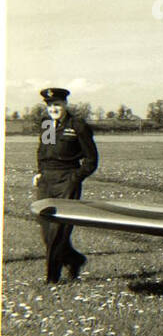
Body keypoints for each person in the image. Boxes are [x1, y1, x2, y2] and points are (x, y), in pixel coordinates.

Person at [32, 87, 98, 282]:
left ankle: (51, 279)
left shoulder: (77, 126)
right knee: (46, 231)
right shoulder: (47, 125)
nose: (53, 109)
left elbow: (91, 159)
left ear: (65, 105)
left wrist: (75, 178)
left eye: (57, 105)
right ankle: (75, 259)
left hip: (66, 180)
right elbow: (44, 151)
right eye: (50, 105)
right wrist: (39, 172)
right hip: (47, 180)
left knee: (58, 231)